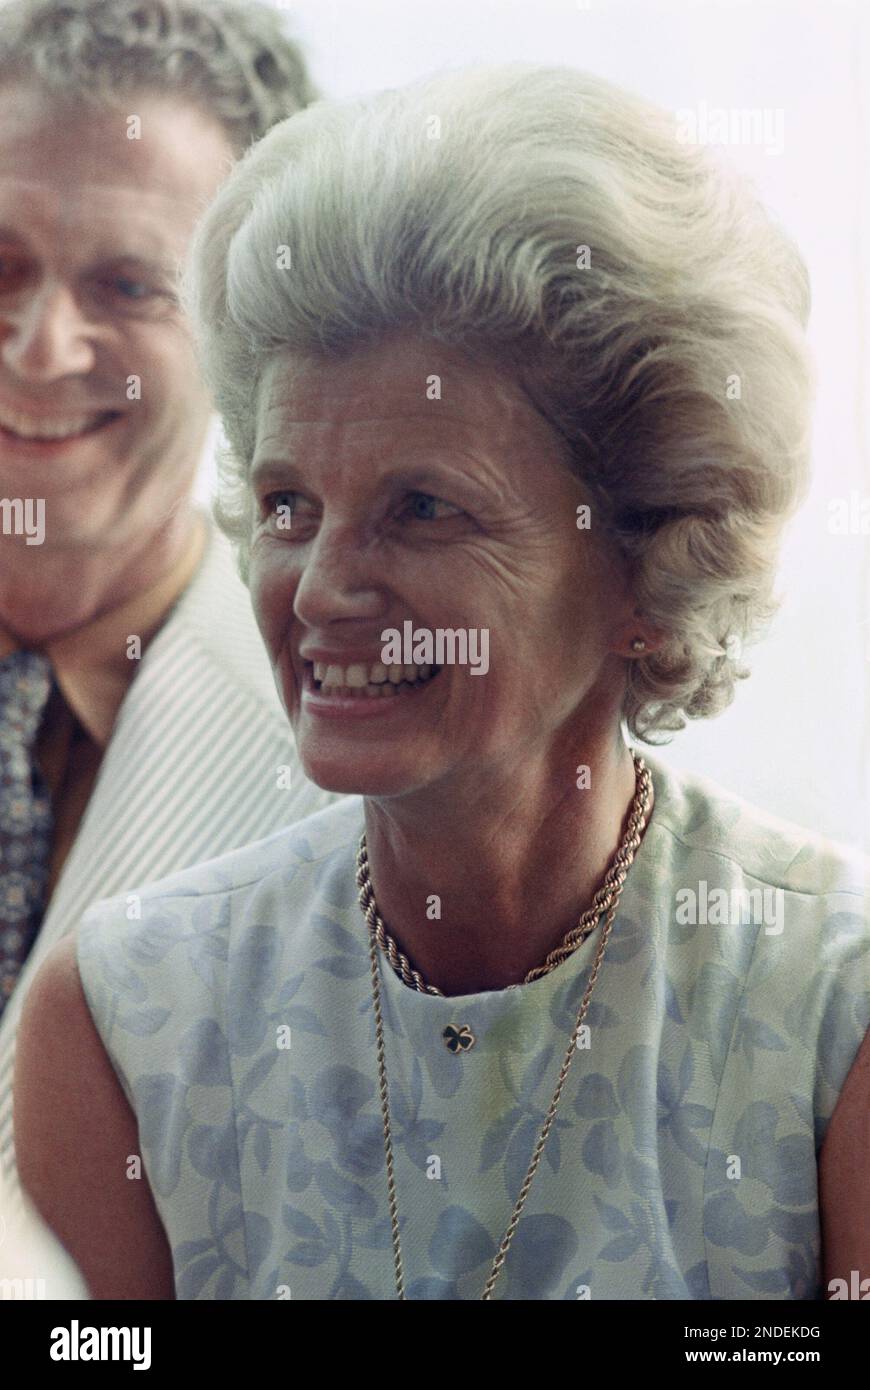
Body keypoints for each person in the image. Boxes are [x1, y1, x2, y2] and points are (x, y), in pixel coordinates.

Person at [15, 64, 870, 1300]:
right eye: (288, 506)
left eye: (422, 509)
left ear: (648, 561)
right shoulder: (122, 1016)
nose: (316, 588)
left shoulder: (832, 1000)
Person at [0, 0, 336, 1199]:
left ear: (253, 341)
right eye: (3, 264)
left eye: (130, 286)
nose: (42, 349)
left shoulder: (359, 774)